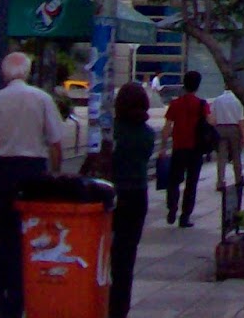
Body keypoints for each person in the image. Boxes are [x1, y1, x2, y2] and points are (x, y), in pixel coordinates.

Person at [0, 51, 64, 318]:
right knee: (26, 238)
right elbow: (55, 141)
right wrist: (55, 174)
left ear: (3, 73)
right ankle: (17, 298)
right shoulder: (42, 98)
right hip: (31, 170)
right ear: (27, 71)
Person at [109, 81, 155, 318]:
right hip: (137, 193)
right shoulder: (147, 134)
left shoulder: (113, 131)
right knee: (126, 256)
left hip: (112, 192)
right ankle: (120, 308)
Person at [160, 70, 210, 227]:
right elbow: (211, 122)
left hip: (178, 147)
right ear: (197, 85)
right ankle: (185, 216)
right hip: (195, 148)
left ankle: (172, 207)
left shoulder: (175, 104)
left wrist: (163, 147)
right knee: (191, 183)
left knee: (173, 181)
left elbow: (167, 127)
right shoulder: (202, 104)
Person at [208, 85, 244, 193]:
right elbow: (241, 120)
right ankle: (238, 178)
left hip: (220, 128)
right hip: (234, 128)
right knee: (236, 155)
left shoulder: (217, 100)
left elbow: (212, 117)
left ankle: (220, 181)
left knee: (221, 157)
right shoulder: (237, 101)